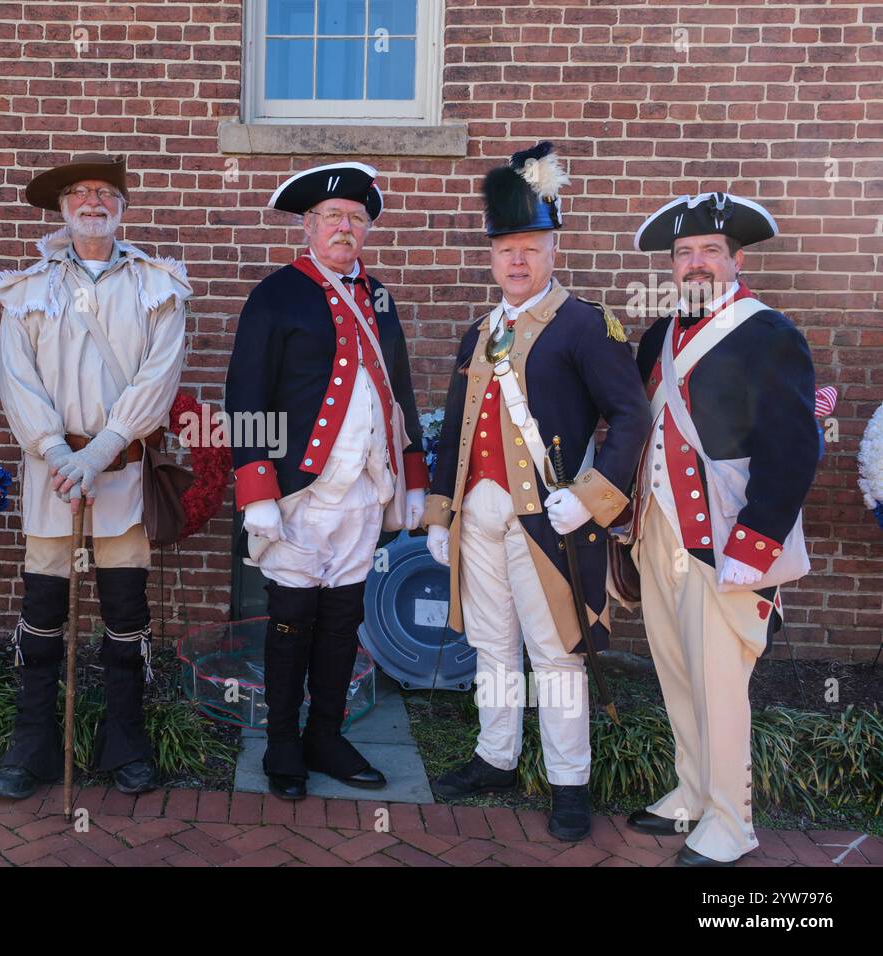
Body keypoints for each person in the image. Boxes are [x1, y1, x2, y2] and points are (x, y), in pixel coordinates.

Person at [423, 143, 650, 841]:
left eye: (530, 248)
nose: (516, 262)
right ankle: (496, 754)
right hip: (479, 515)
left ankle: (569, 782)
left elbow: (632, 415)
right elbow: (458, 427)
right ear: (491, 258)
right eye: (505, 250)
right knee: (493, 646)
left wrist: (592, 495)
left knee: (556, 653)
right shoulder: (478, 333)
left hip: (549, 520)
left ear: (553, 249)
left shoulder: (585, 323)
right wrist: (440, 512)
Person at [225, 162, 428, 800]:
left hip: (364, 491)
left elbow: (400, 387)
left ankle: (326, 735)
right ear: (310, 226)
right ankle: (283, 742)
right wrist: (256, 490)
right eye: (333, 218)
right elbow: (246, 393)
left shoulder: (380, 296)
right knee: (289, 618)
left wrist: (412, 474)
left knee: (342, 621)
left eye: (356, 219)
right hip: (299, 492)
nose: (345, 228)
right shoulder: (277, 293)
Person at [627, 192, 818, 866]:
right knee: (678, 673)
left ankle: (732, 822)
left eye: (710, 250)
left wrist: (756, 543)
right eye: (684, 253)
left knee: (721, 684)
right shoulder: (658, 335)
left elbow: (794, 447)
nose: (696, 263)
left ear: (736, 259)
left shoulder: (770, 333)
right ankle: (690, 794)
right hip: (659, 533)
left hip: (725, 537)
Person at [0, 154, 191, 798]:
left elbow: (158, 380)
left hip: (121, 475)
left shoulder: (158, 285)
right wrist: (57, 451)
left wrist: (99, 451)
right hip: (54, 476)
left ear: (123, 206)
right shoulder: (26, 289)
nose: (92, 202)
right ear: (62, 208)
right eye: (79, 193)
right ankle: (35, 741)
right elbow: (16, 380)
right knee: (44, 611)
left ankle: (124, 739)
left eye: (106, 192)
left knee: (126, 615)